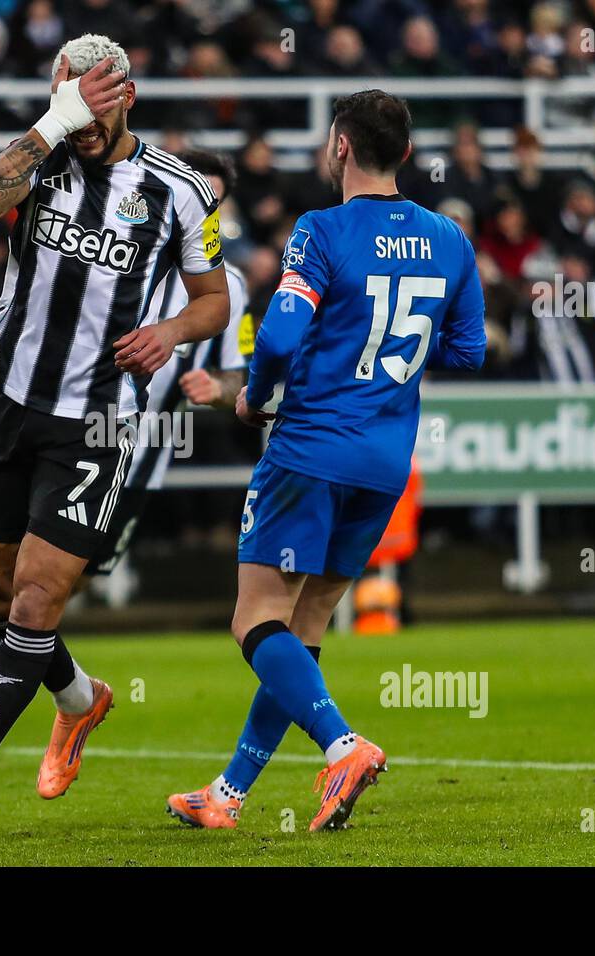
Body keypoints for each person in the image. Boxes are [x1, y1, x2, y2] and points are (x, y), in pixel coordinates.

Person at [0, 33, 230, 848]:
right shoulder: (40, 159)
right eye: (68, 103)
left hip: (98, 419)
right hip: (10, 406)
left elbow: (214, 298)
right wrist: (53, 124)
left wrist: (172, 330)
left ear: (128, 97)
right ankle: (80, 698)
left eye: (93, 107)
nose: (83, 125)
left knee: (39, 600)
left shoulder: (180, 190)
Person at [167, 90, 485, 831]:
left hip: (311, 447)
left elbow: (276, 340)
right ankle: (229, 794)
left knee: (254, 619)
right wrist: (385, 357)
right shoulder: (450, 238)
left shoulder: (321, 230)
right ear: (404, 154)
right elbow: (468, 350)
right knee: (306, 624)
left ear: (340, 146)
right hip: (384, 462)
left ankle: (342, 745)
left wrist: (256, 397)